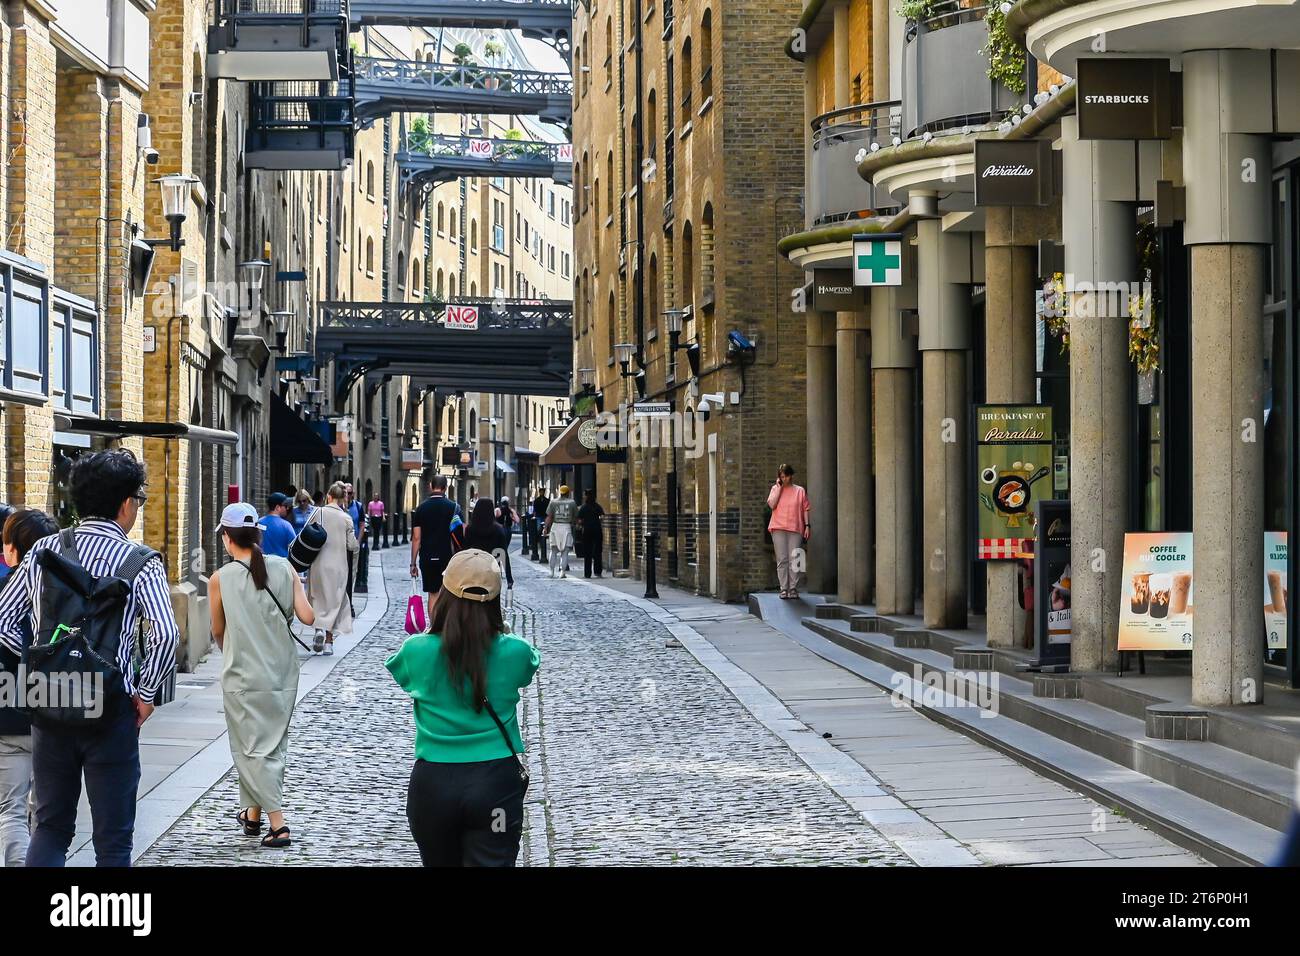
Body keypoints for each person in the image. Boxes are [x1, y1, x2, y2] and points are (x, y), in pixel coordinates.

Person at [0, 449, 179, 867]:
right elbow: (165, 635)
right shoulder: (140, 561)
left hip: (50, 705)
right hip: (112, 707)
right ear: (125, 504)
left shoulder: (44, 550)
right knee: (113, 842)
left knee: (50, 828)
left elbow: (5, 621)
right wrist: (146, 694)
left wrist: (37, 667)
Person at [386, 549, 540, 867]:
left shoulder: (417, 651)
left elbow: (398, 670)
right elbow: (530, 663)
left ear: (445, 595)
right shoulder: (514, 652)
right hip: (495, 794)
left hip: (433, 792)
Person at [208, 503, 315, 850]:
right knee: (269, 745)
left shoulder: (219, 579)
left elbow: (218, 631)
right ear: (257, 535)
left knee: (250, 747)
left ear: (227, 537)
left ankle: (278, 824)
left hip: (242, 673)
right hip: (282, 673)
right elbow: (308, 617)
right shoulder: (283, 568)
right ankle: (251, 815)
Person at [0, 509, 58, 867]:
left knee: (11, 807)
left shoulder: (6, 591)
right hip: (55, 707)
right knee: (48, 809)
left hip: (9, 710)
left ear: (11, 549)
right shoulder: (62, 590)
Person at [305, 482, 359, 656]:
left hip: (318, 564)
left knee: (318, 599)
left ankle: (318, 630)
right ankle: (329, 642)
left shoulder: (317, 512)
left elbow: (306, 534)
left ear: (328, 496)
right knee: (334, 603)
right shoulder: (346, 518)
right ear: (343, 498)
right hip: (338, 567)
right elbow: (352, 545)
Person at [411, 475, 462, 623]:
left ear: (431, 486)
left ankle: (434, 627)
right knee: (448, 593)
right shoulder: (454, 508)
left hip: (427, 557)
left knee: (432, 594)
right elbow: (460, 533)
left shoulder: (421, 509)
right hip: (448, 557)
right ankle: (446, 625)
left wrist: (413, 563)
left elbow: (416, 538)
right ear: (445, 488)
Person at [767, 463, 811, 600]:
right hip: (778, 527)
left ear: (791, 475)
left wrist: (808, 526)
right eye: (781, 477)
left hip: (795, 527)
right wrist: (779, 489)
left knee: (795, 558)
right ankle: (783, 588)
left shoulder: (800, 491)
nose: (784, 479)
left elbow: (806, 508)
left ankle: (793, 588)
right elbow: (772, 505)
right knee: (782, 559)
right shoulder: (775, 489)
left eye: (786, 476)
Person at [466, 499, 513, 595]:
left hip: (474, 568)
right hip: (492, 568)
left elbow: (465, 551)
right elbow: (503, 554)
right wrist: (509, 578)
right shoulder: (498, 530)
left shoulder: (470, 529)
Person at [544, 485, 577, 579]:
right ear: (568, 493)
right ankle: (562, 572)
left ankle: (551, 572)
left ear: (560, 492)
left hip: (555, 526)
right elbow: (575, 517)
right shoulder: (572, 502)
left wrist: (545, 528)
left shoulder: (553, 502)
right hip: (566, 526)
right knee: (565, 552)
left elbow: (549, 516)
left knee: (553, 551)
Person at [576, 489, 606, 579]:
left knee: (587, 552)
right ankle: (597, 571)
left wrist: (582, 524)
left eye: (584, 495)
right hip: (597, 530)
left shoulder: (584, 507)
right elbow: (602, 517)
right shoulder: (597, 506)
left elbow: (579, 520)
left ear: (586, 496)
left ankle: (587, 573)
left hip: (587, 531)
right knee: (597, 551)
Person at [258, 493, 297, 560]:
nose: (287, 508)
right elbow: (295, 546)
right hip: (281, 565)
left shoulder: (259, 523)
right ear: (277, 508)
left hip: (262, 564)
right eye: (285, 506)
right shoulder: (286, 525)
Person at [531, 487, 551, 562]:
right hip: (539, 516)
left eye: (543, 492)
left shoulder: (547, 500)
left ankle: (541, 540)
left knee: (543, 529)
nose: (542, 493)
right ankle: (539, 541)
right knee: (539, 528)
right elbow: (535, 509)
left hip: (544, 516)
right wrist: (534, 515)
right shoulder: (536, 500)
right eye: (541, 492)